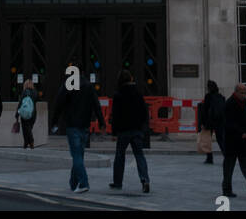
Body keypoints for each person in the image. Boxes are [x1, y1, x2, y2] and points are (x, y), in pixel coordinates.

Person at [50, 63, 105, 194]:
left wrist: (54, 122)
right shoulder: (88, 85)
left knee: (76, 155)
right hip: (84, 125)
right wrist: (102, 122)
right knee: (79, 155)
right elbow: (96, 104)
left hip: (72, 125)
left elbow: (58, 103)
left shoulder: (68, 84)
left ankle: (83, 182)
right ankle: (73, 182)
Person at [109, 69, 150, 193]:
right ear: (131, 78)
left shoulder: (118, 94)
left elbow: (115, 115)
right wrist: (143, 127)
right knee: (139, 155)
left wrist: (114, 132)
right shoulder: (138, 93)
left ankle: (117, 182)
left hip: (123, 130)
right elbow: (144, 112)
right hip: (136, 129)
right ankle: (145, 180)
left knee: (120, 156)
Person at [198, 80, 225, 165]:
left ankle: (209, 158)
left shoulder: (208, 97)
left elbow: (204, 110)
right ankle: (226, 156)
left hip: (209, 121)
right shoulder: (221, 97)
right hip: (219, 121)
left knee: (207, 140)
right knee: (220, 140)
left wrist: (202, 123)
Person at [15, 78, 37, 149]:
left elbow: (20, 103)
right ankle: (27, 143)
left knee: (25, 129)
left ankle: (30, 141)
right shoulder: (35, 92)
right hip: (33, 113)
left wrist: (17, 113)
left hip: (24, 113)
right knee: (29, 128)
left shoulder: (24, 92)